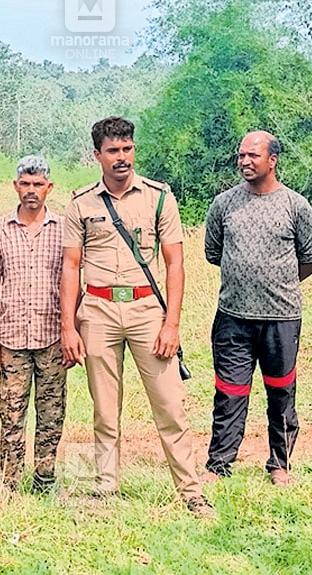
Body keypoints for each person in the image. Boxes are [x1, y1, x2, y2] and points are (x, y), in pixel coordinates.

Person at [60, 116, 213, 518]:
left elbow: (175, 264)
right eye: (113, 150)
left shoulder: (159, 197)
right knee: (105, 408)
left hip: (148, 311)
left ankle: (191, 491)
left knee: (170, 406)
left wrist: (172, 324)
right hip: (97, 311)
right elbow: (70, 267)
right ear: (97, 156)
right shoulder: (81, 204)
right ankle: (106, 488)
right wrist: (68, 327)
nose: (122, 157)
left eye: (127, 149)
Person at [203, 131, 312, 486]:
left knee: (281, 393)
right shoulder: (224, 205)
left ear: (273, 160)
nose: (244, 162)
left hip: (281, 319)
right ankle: (219, 464)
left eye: (253, 156)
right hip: (232, 318)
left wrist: (277, 284)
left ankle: (279, 464)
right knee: (229, 393)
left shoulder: (296, 206)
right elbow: (213, 252)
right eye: (241, 156)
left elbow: (310, 259)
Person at [0, 155, 67, 496]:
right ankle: (10, 482)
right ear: (16, 186)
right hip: (11, 338)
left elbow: (74, 281)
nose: (32, 191)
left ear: (49, 187)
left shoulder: (64, 230)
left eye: (38, 184)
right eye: (25, 184)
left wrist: (71, 331)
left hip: (52, 338)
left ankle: (45, 478)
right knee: (11, 412)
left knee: (52, 411)